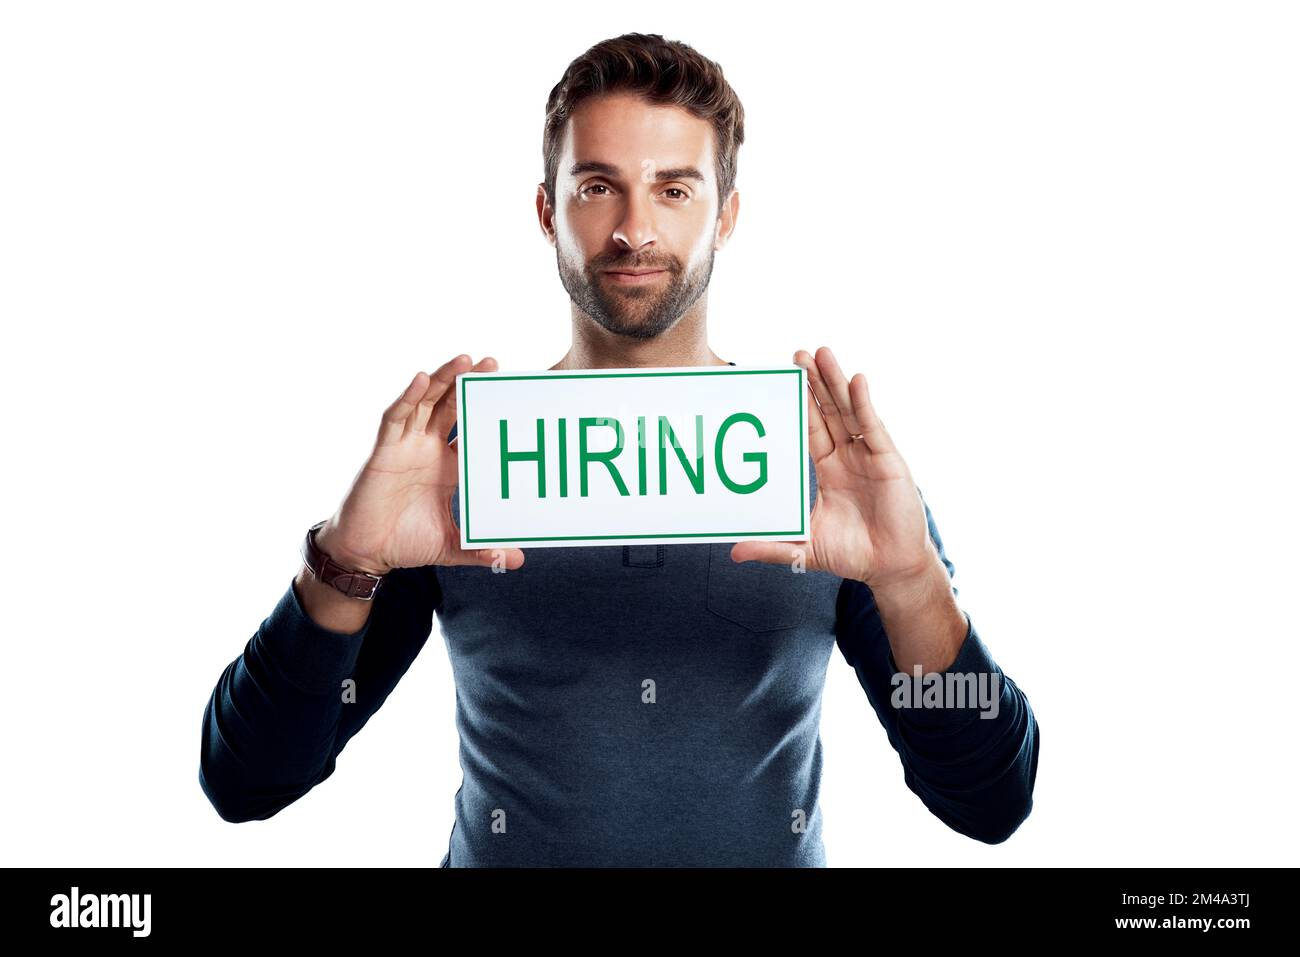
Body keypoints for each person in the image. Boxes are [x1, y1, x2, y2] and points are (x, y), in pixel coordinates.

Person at [199, 32, 1039, 866]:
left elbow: (991, 799)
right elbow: (247, 780)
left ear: (728, 215)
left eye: (674, 189)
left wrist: (909, 579)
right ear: (546, 211)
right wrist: (345, 560)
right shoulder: (466, 463)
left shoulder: (817, 461)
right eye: (599, 186)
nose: (634, 230)